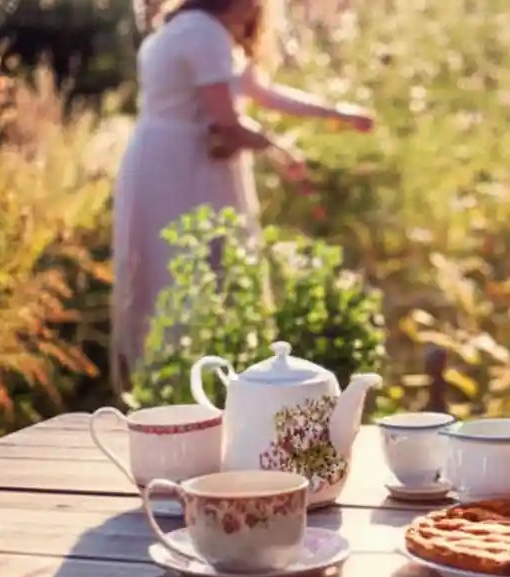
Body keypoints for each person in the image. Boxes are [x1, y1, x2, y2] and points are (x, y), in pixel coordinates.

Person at [111, 0, 374, 391]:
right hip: (180, 167)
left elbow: (262, 93)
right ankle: (194, 382)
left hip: (171, 159)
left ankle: (184, 379)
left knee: (183, 266)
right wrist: (280, 152)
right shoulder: (204, 33)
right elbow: (227, 123)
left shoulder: (189, 28)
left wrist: (337, 113)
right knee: (192, 267)